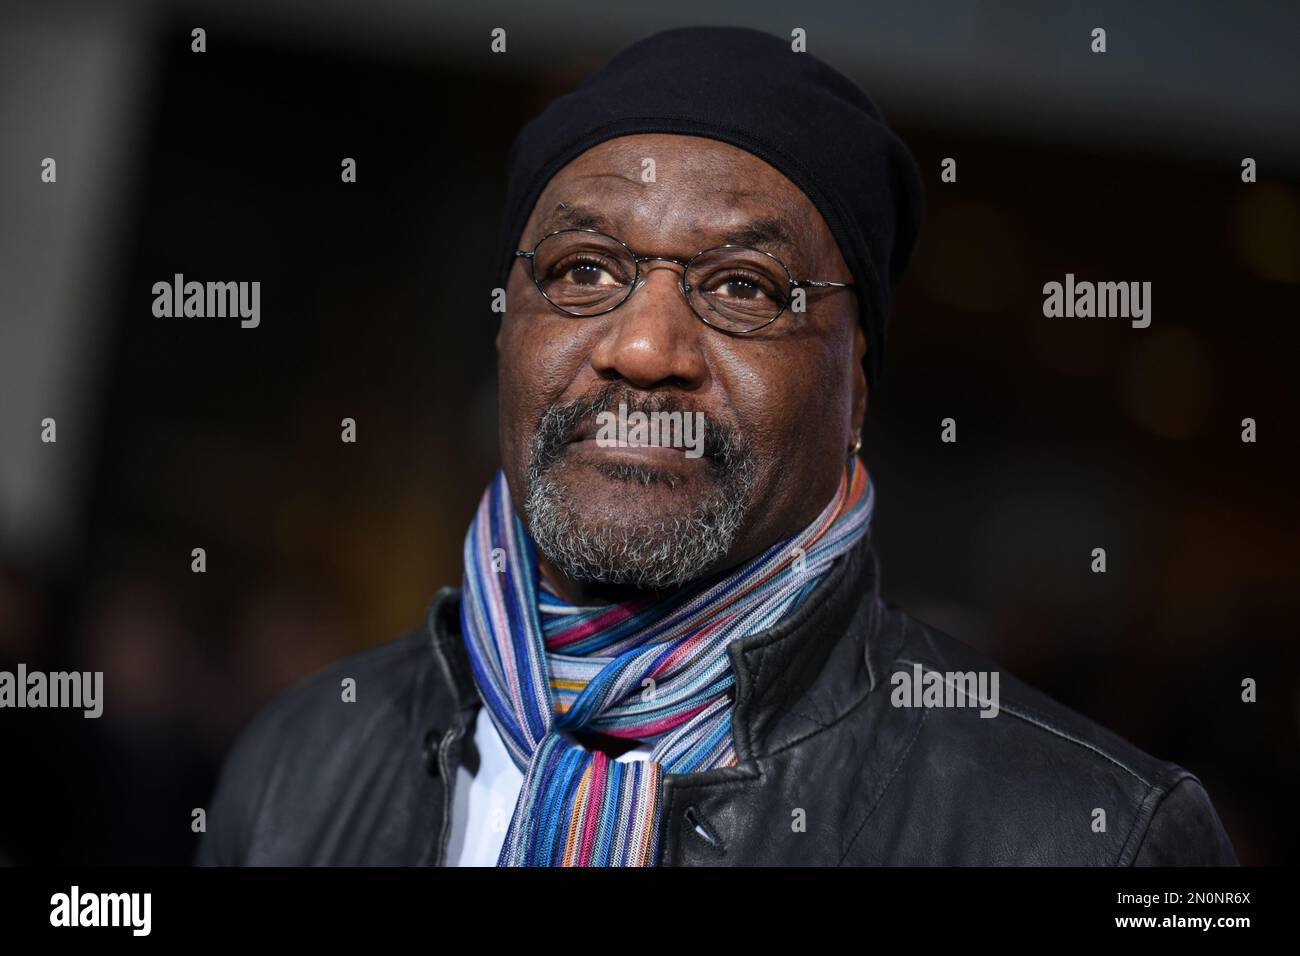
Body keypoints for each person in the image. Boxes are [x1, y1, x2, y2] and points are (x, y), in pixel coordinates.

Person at [195, 26, 1236, 867]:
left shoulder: (1092, 834)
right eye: (584, 270)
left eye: (743, 286)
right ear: (507, 327)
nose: (644, 346)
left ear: (855, 383)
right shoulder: (299, 761)